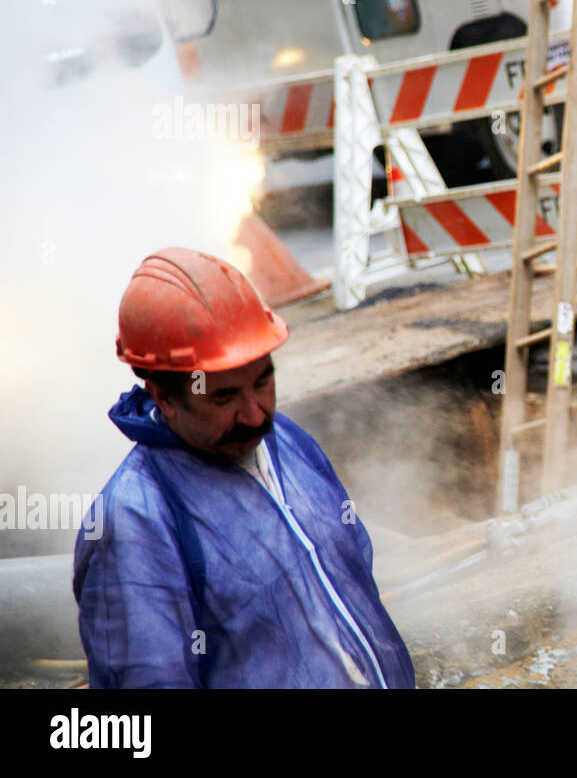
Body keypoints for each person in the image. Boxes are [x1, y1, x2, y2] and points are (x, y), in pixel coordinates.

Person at [73, 247, 416, 688]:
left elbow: (355, 578)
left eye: (263, 381)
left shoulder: (287, 442)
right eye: (224, 397)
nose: (255, 415)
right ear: (164, 398)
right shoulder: (136, 520)